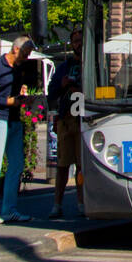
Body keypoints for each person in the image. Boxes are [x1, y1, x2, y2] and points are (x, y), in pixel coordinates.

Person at [0, 37, 35, 224]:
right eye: (25, 53)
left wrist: (21, 100)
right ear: (16, 49)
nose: (27, 57)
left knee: (16, 164)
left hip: (14, 119)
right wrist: (7, 101)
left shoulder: (18, 69)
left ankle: (9, 209)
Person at [49, 30, 85, 219]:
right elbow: (51, 92)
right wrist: (62, 85)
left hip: (83, 118)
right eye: (75, 41)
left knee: (81, 164)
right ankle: (57, 203)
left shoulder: (91, 64)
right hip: (66, 117)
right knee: (62, 164)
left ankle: (81, 201)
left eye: (81, 41)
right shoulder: (65, 66)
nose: (78, 44)